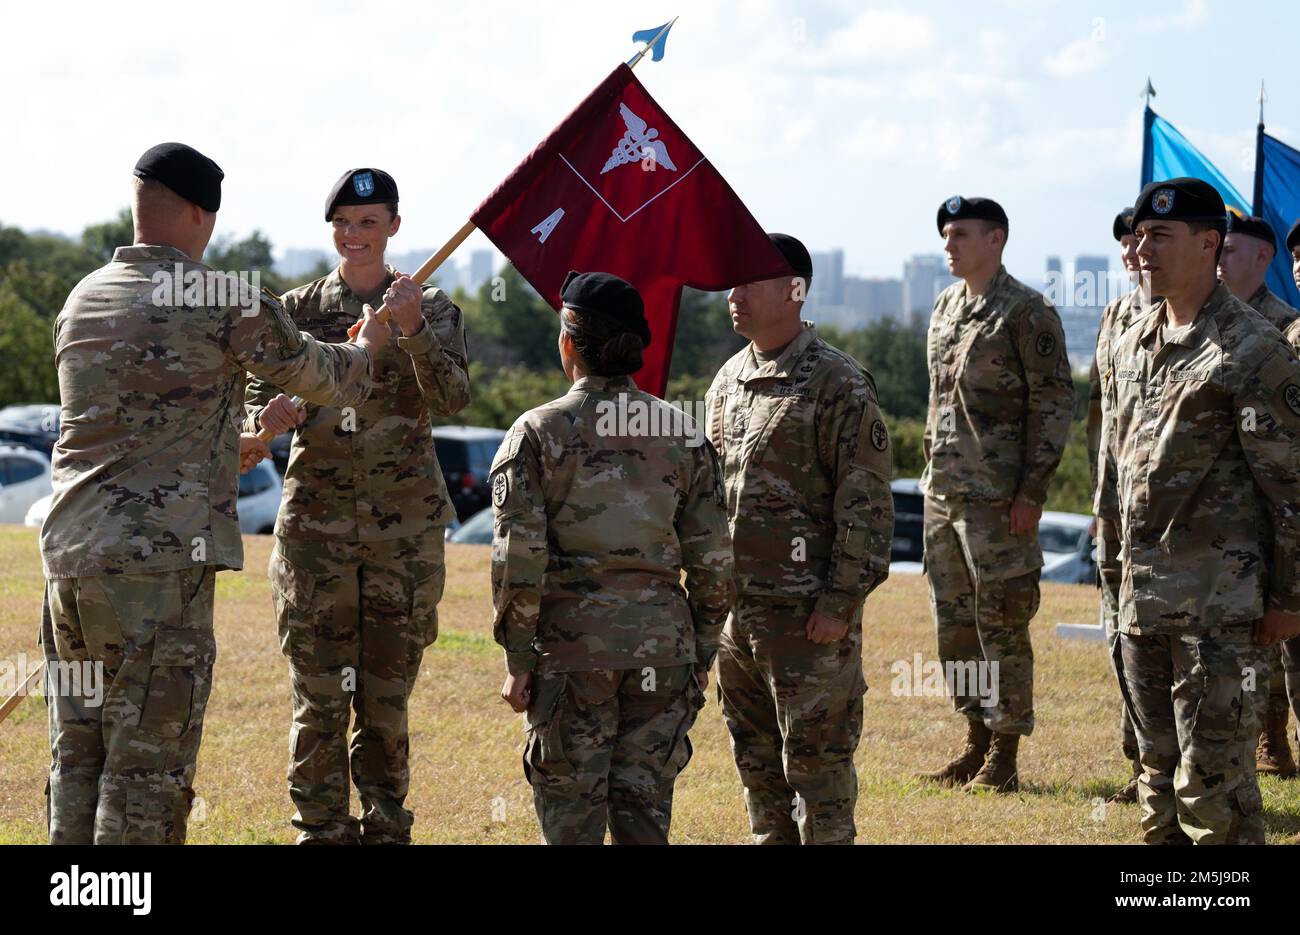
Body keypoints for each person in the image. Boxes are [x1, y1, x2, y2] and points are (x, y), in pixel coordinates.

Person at [41, 143, 383, 845]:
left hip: (70, 564)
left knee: (77, 758)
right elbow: (329, 377)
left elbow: (136, 429)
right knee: (146, 773)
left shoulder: (84, 297)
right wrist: (370, 342)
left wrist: (245, 437)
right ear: (201, 213)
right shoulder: (219, 297)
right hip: (158, 573)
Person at [244, 168, 470, 844]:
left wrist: (414, 330)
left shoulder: (430, 304)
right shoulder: (295, 311)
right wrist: (272, 412)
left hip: (402, 537)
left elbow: (455, 399)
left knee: (385, 697)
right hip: (316, 532)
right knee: (317, 697)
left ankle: (384, 824)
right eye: (343, 221)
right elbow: (253, 401)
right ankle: (318, 827)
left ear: (394, 226)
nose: (354, 234)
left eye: (368, 221)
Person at [491, 271, 733, 845]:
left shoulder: (537, 433)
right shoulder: (684, 434)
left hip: (573, 657)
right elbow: (714, 562)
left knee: (571, 823)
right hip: (664, 652)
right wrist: (699, 652)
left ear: (568, 343)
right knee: (645, 818)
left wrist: (519, 658)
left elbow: (517, 562)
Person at [1097, 178, 1300, 844]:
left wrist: (1287, 598)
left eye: (1162, 235)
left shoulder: (1253, 351)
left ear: (1209, 243)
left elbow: (1291, 491)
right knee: (1157, 774)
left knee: (1214, 787)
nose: (1143, 248)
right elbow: (1121, 466)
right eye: (1141, 236)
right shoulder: (1134, 339)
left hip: (1219, 610)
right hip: (1142, 601)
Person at [705, 233, 894, 844]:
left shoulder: (838, 382)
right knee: (758, 771)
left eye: (748, 282)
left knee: (818, 773)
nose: (733, 295)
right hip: (740, 617)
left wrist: (840, 604)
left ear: (794, 291)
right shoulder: (728, 379)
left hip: (809, 619)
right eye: (732, 283)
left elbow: (864, 504)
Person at [916, 196, 1073, 793]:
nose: (949, 245)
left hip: (998, 498)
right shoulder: (945, 307)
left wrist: (1032, 492)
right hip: (943, 493)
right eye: (945, 236)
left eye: (960, 235)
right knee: (954, 625)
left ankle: (1005, 754)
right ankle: (974, 739)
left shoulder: (1027, 312)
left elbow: (1053, 405)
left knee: (1001, 623)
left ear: (996, 240)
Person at [1087, 207, 1149, 804]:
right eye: (1127, 244)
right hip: (1115, 511)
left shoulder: (1188, 318)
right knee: (1120, 638)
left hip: (1171, 521)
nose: (1133, 252)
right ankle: (1143, 766)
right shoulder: (1114, 315)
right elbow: (1100, 421)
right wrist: (1097, 501)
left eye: (1142, 241)